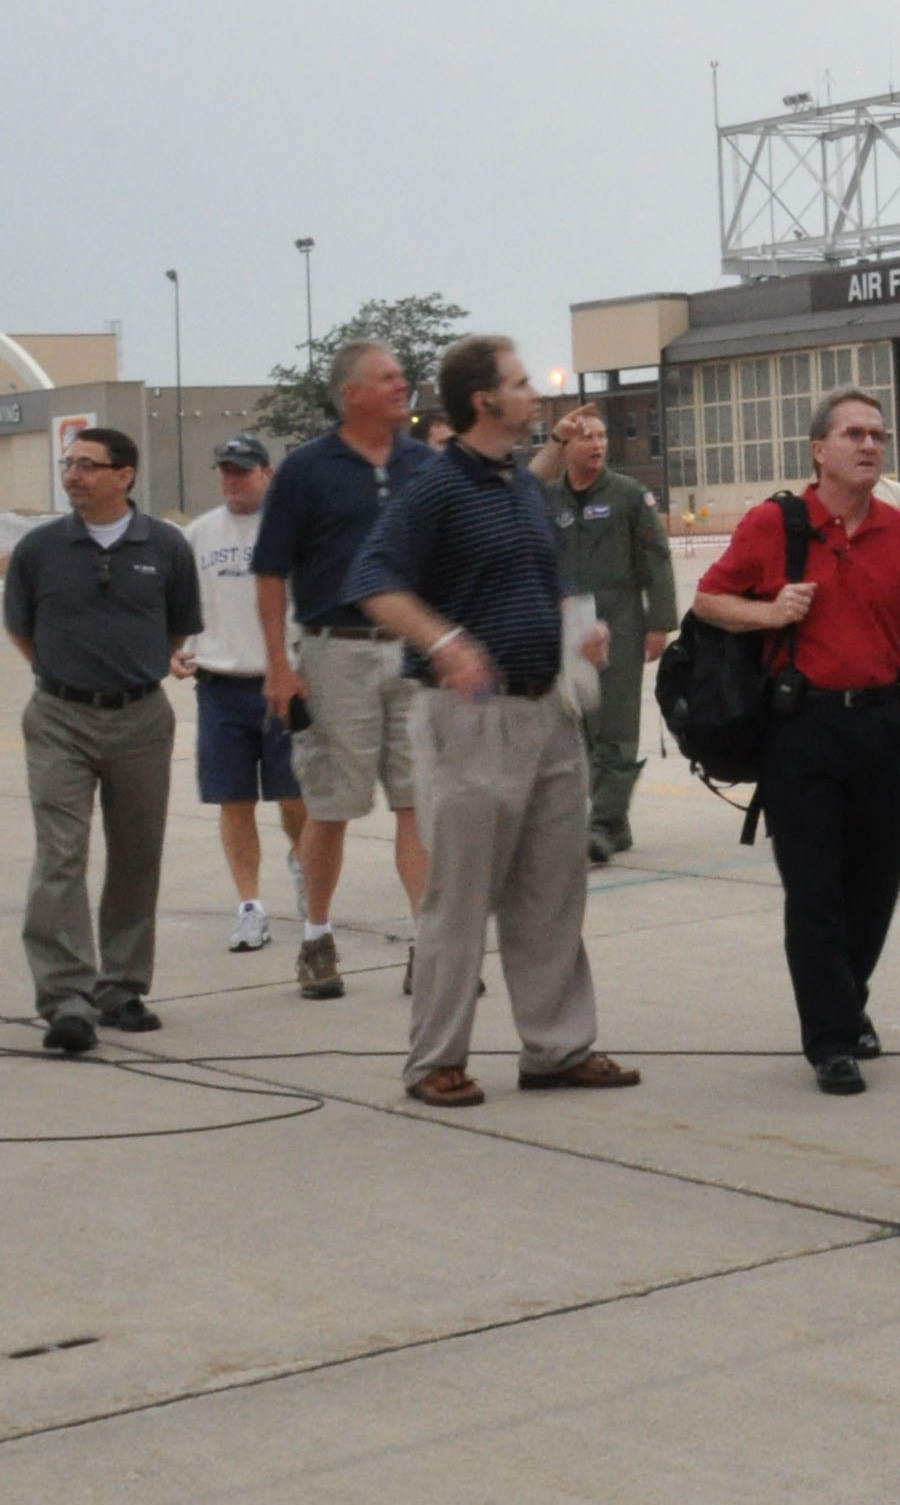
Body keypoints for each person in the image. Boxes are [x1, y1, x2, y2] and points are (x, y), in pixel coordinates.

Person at [347, 336, 636, 1108]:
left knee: (552, 894)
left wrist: (579, 634)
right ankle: (435, 1060)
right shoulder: (436, 488)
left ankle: (557, 1048)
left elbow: (536, 582)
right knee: (460, 899)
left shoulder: (518, 485)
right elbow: (371, 578)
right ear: (484, 401)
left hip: (548, 712)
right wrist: (442, 643)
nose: (533, 393)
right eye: (519, 382)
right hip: (471, 720)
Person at [691, 388, 900, 1094]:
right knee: (814, 893)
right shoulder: (774, 525)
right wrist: (770, 612)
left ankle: (847, 1000)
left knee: (875, 889)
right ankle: (831, 1038)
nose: (869, 445)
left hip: (883, 725)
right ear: (819, 451)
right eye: (853, 434)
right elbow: (708, 599)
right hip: (801, 729)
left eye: (877, 435)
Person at [0, 427, 200, 1054]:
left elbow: (176, 632)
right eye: (69, 464)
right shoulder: (38, 549)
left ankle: (121, 988)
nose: (73, 475)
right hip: (59, 717)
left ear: (125, 475)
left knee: (137, 854)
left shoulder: (165, 547)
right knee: (60, 855)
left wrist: (130, 672)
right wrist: (68, 676)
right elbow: (22, 630)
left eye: (88, 465)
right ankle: (66, 1000)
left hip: (141, 719)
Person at [251, 340, 433, 1000]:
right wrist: (279, 664)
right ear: (350, 393)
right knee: (330, 807)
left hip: (413, 653)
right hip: (333, 653)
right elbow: (270, 572)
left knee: (419, 805)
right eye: (387, 377)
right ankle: (316, 938)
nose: (401, 384)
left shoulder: (425, 465)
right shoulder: (306, 469)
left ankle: (430, 947)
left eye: (401, 375)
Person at [536, 405, 679, 865]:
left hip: (620, 618)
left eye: (601, 436)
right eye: (586, 437)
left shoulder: (629, 495)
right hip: (566, 622)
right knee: (576, 724)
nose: (597, 444)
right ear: (565, 447)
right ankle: (613, 821)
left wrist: (659, 622)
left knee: (615, 723)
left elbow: (656, 559)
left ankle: (603, 824)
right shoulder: (548, 499)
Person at [180, 436, 305, 950]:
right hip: (220, 686)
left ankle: (306, 868)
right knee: (234, 800)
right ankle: (250, 906)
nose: (232, 479)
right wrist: (178, 646)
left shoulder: (293, 529)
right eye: (225, 470)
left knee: (295, 796)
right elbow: (181, 600)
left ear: (266, 474)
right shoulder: (198, 534)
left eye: (242, 470)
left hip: (284, 682)